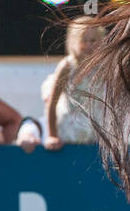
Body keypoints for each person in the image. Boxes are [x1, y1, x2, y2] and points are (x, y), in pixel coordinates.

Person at [42, 20, 108, 150]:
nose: (89, 45)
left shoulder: (103, 67)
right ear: (74, 41)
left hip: (94, 133)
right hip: (70, 134)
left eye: (93, 40)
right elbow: (52, 103)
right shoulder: (67, 66)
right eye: (84, 40)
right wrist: (52, 135)